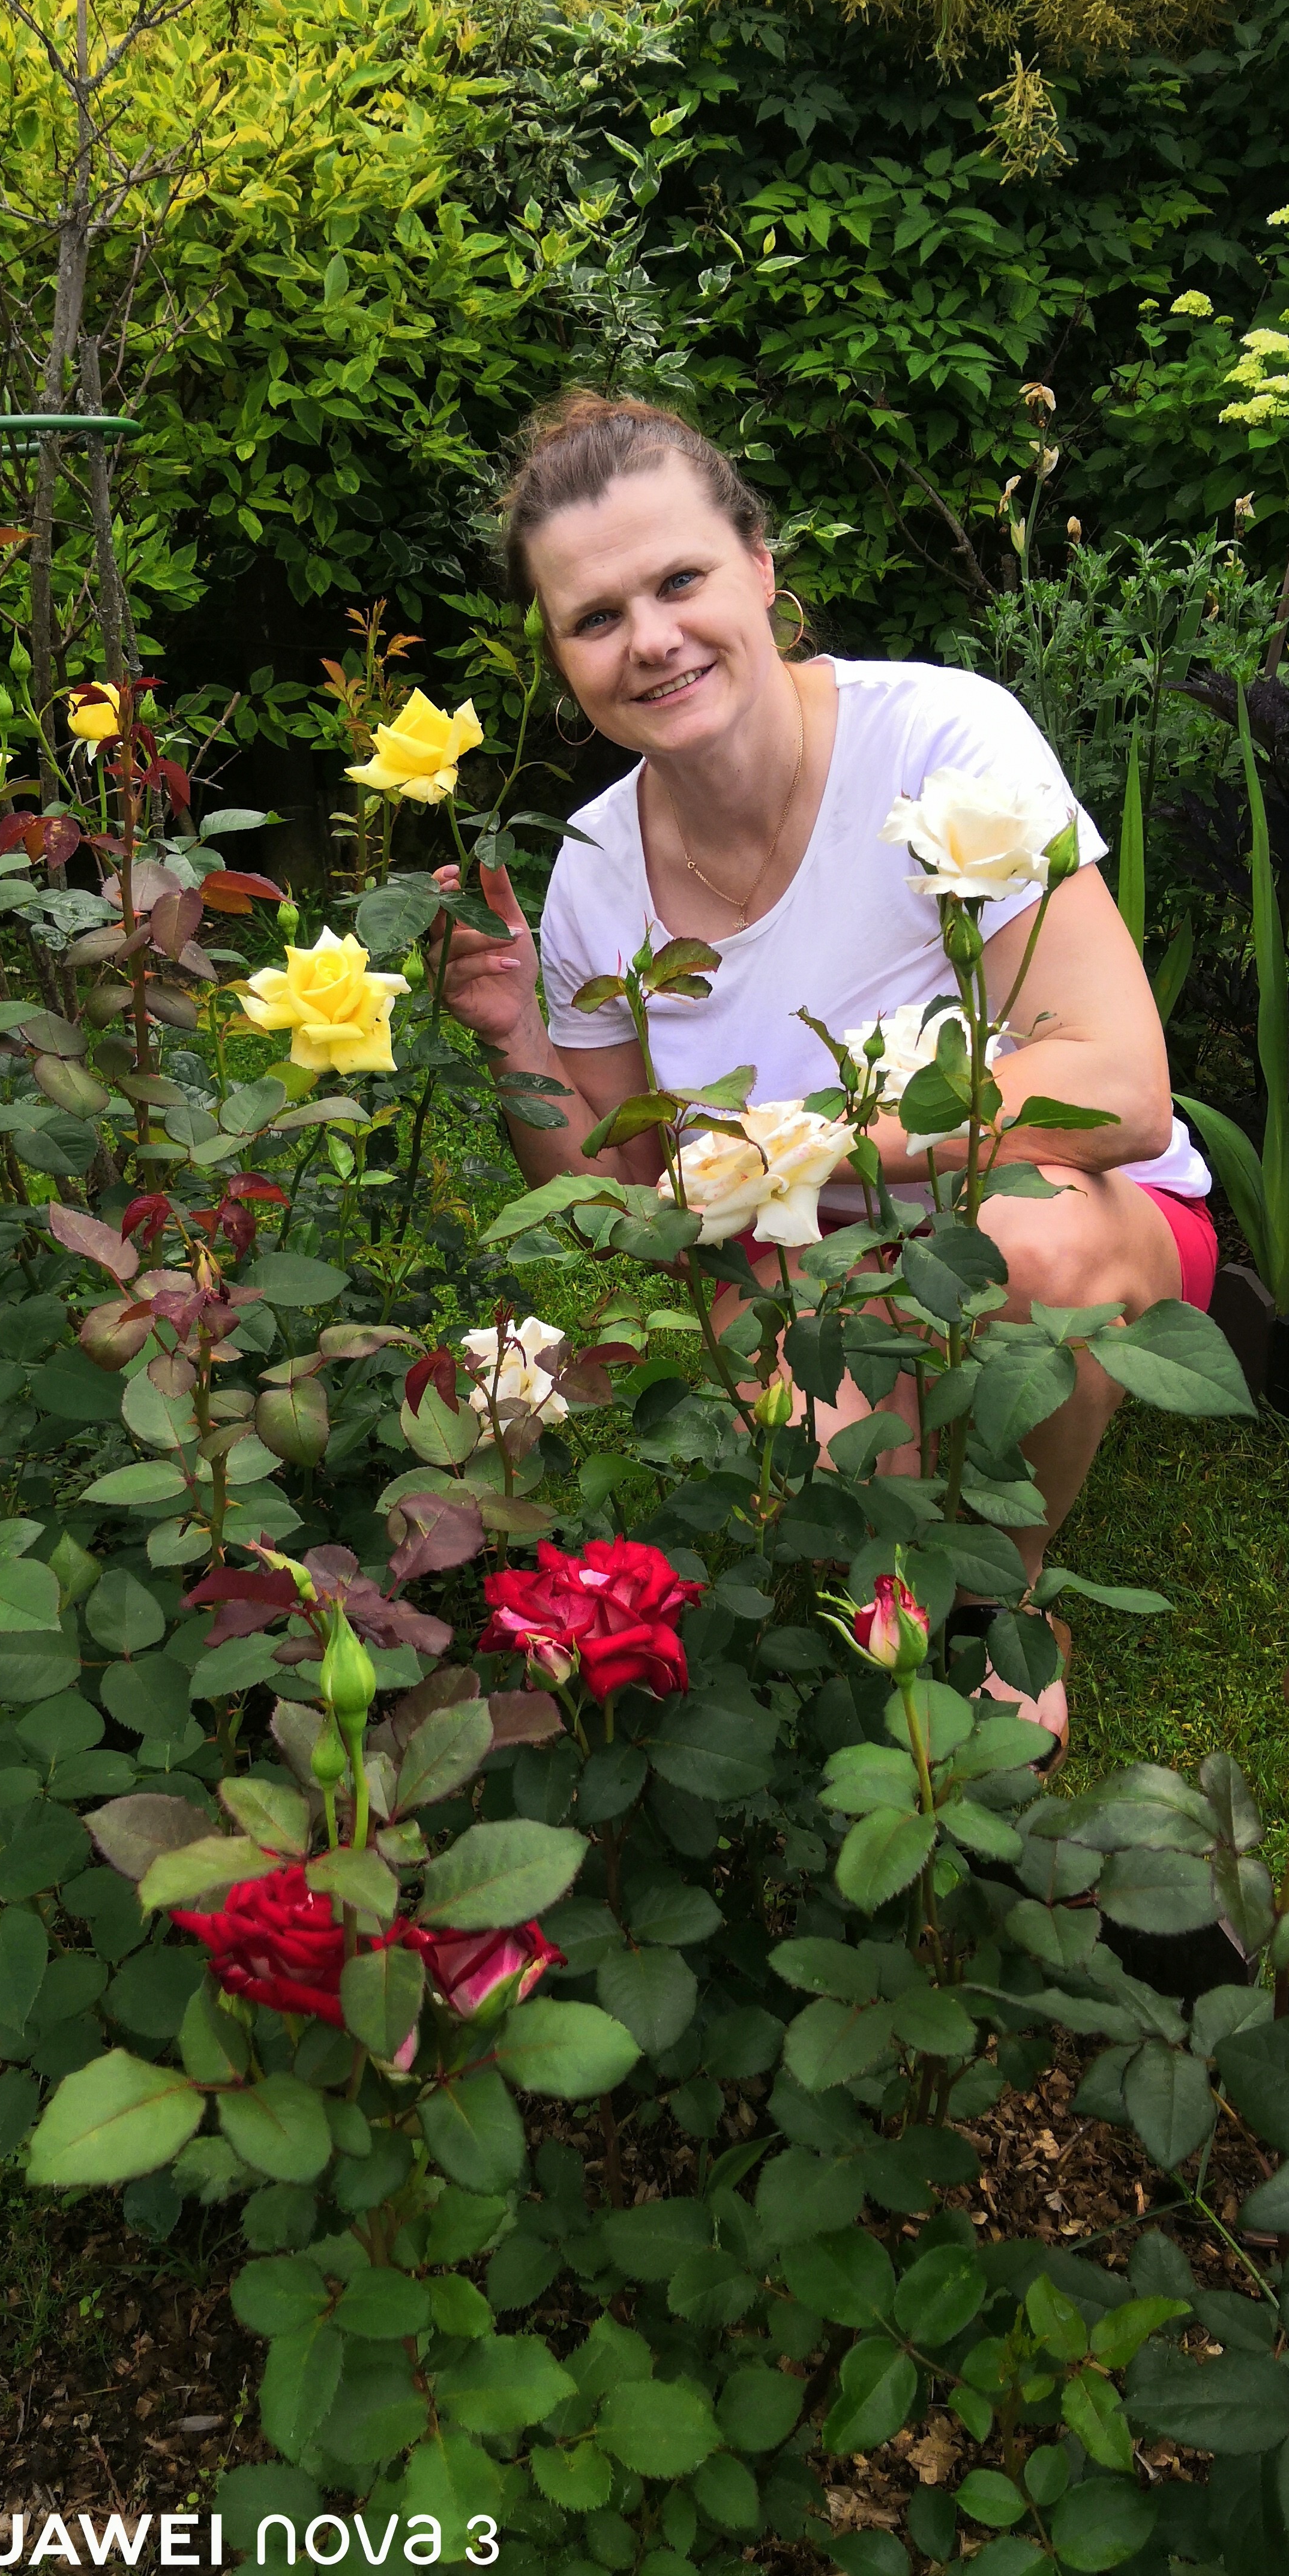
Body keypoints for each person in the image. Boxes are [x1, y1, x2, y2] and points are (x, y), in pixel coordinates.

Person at [430, 392, 1215, 1752]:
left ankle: (1011, 1602)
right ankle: (909, 1572)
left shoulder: (941, 742)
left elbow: (1121, 1090)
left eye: (680, 581)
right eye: (596, 619)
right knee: (824, 1478)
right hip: (797, 1253)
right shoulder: (601, 873)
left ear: (762, 567)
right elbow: (624, 1194)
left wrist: (811, 1143)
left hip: (1072, 1209)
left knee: (1027, 1254)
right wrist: (514, 1038)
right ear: (560, 657)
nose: (653, 641)